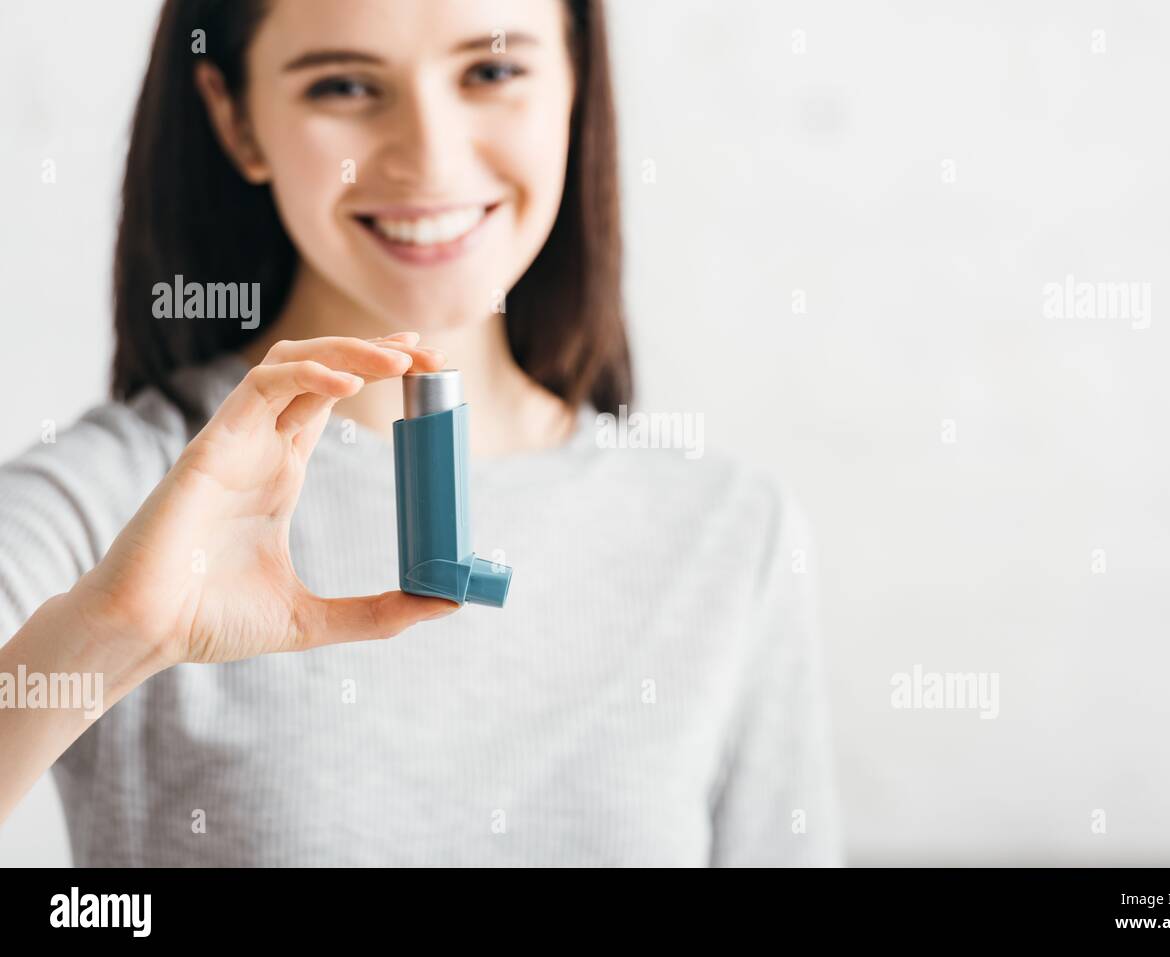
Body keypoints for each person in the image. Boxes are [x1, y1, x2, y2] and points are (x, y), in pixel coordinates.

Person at [0, 0, 841, 865]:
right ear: (236, 116)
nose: (429, 158)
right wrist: (109, 634)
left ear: (574, 85)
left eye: (493, 69)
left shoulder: (729, 532)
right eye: (345, 84)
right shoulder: (105, 504)